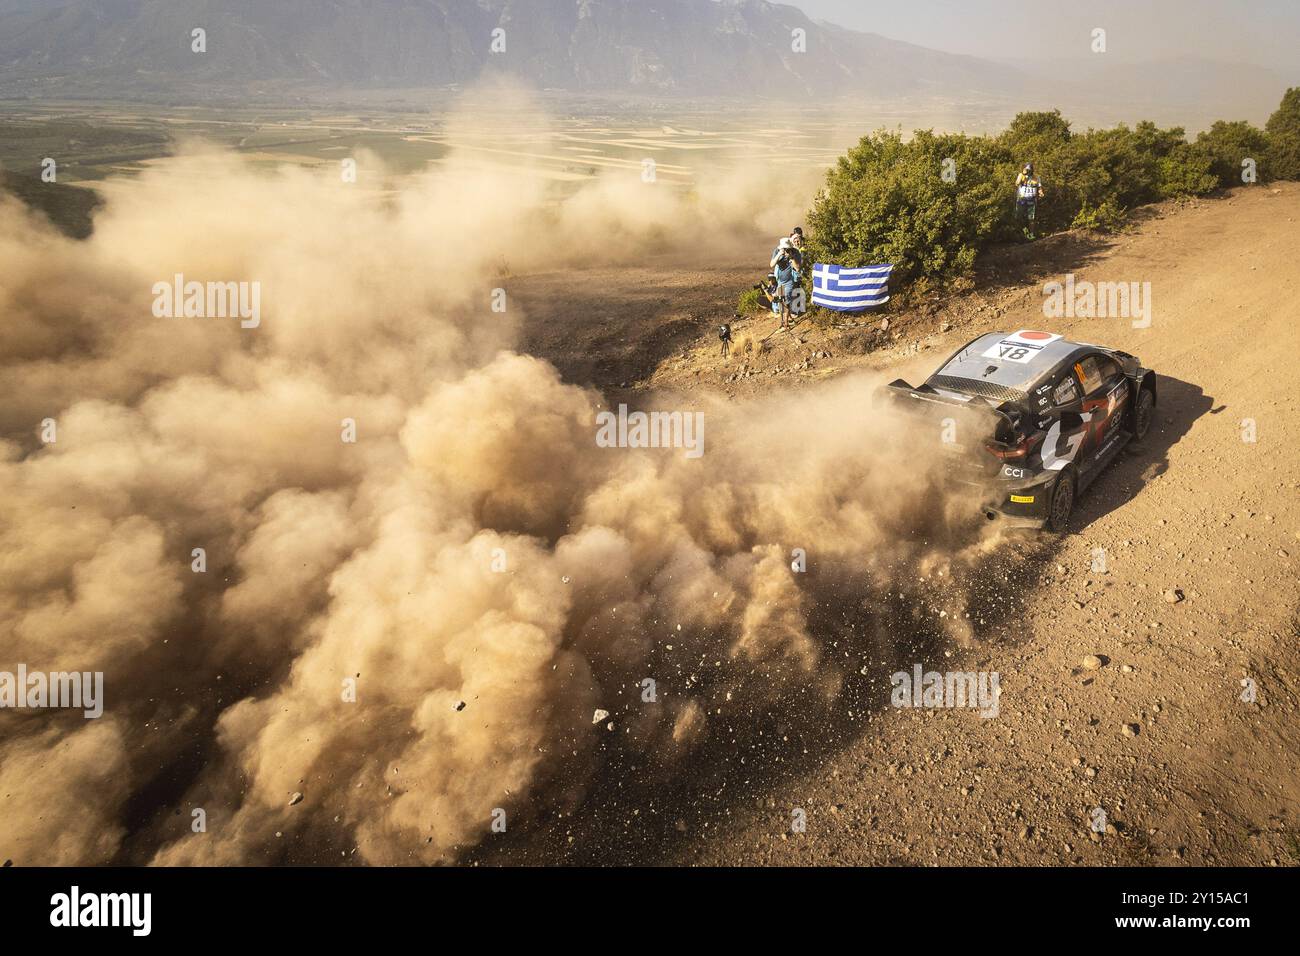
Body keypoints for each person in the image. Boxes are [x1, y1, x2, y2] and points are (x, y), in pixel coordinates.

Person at [1015, 163, 1045, 239]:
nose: (1028, 171)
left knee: (1031, 218)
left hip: (1031, 200)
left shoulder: (1036, 177)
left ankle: (1031, 234)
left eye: (1030, 170)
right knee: (1019, 217)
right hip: (1021, 200)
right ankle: (1023, 232)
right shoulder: (1021, 175)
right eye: (1027, 169)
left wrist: (1041, 192)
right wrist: (1023, 174)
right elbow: (1017, 183)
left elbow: (1039, 187)